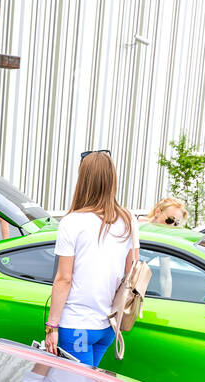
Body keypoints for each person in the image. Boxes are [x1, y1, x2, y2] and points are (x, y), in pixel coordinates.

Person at [45, 151, 138, 367]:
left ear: (83, 180)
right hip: (107, 325)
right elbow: (131, 271)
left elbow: (63, 279)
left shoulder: (72, 222)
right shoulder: (128, 219)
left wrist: (52, 326)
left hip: (76, 325)